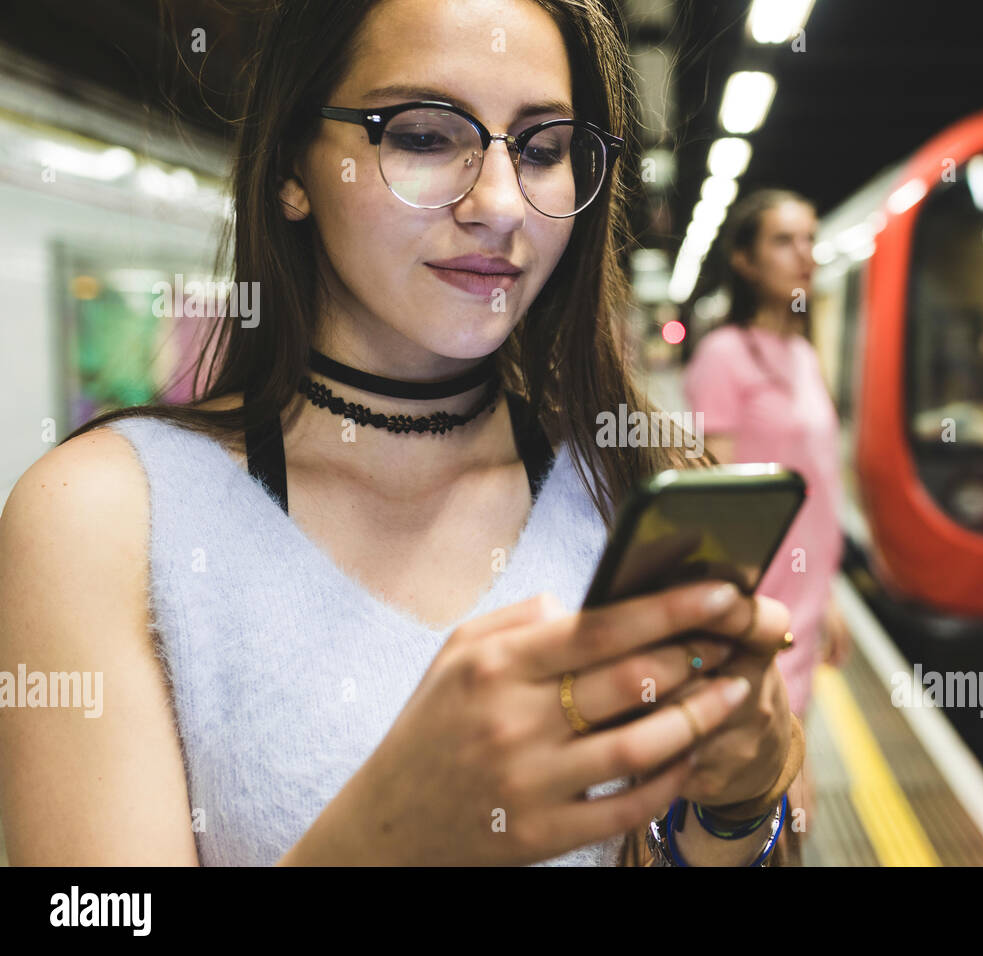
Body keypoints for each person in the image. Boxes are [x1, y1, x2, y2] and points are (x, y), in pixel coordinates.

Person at [0, 0, 804, 867]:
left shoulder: (630, 477)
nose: (500, 205)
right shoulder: (105, 519)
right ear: (291, 169)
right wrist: (385, 840)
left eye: (542, 149)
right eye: (423, 136)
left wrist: (739, 804)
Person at [684, 188, 853, 834]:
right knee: (779, 806)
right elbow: (717, 500)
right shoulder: (723, 358)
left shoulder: (806, 356)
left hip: (807, 598)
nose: (804, 255)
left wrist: (830, 594)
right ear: (745, 261)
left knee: (793, 811)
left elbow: (819, 485)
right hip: (758, 605)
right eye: (784, 241)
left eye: (810, 239)